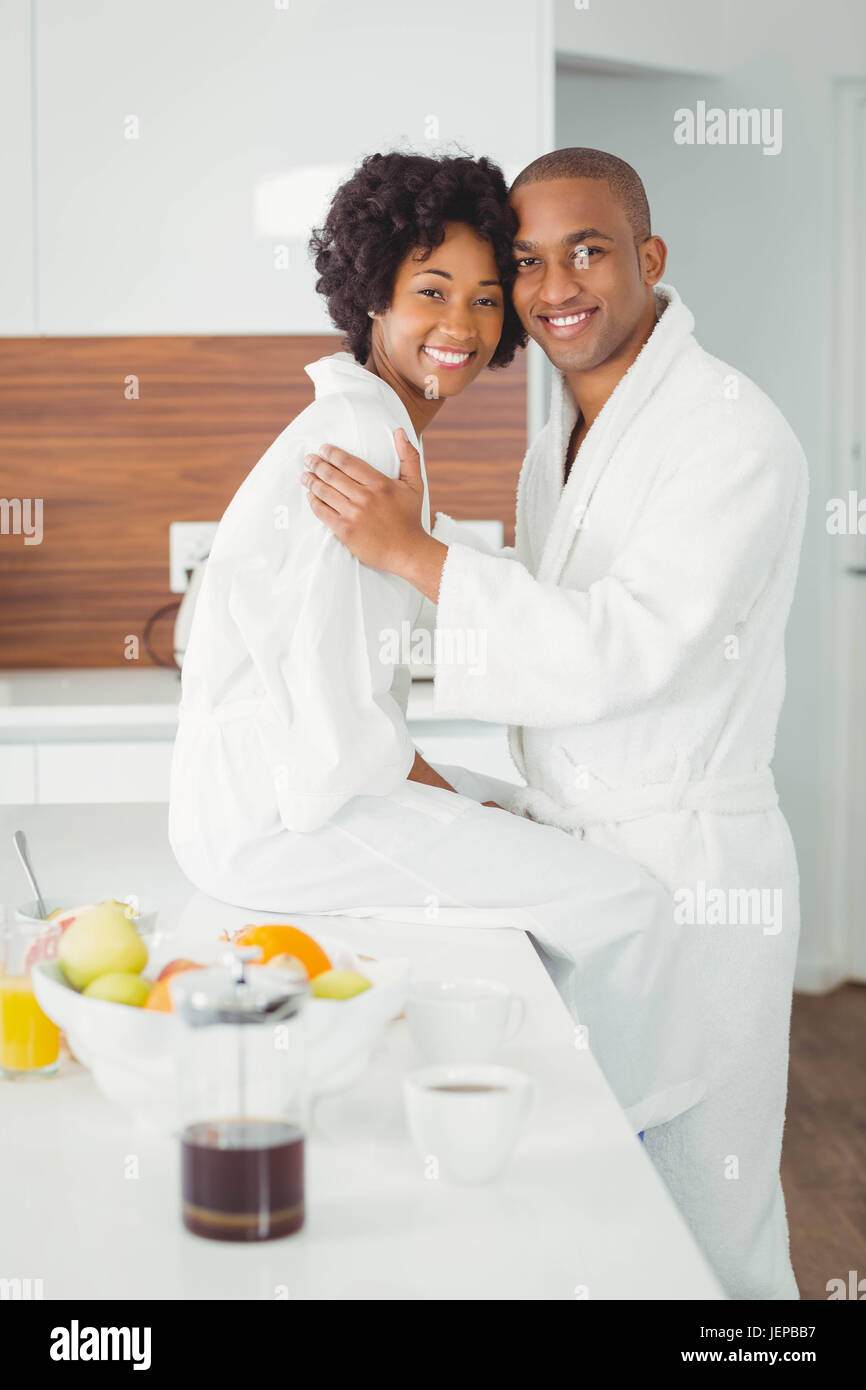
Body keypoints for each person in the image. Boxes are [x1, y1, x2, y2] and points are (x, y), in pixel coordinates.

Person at [301, 148, 808, 1302]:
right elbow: (550, 640)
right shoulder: (558, 442)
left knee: (708, 1225)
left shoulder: (730, 433)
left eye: (584, 251)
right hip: (593, 858)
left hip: (693, 876)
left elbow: (617, 654)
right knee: (598, 1211)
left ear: (648, 258)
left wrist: (413, 554)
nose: (550, 287)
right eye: (522, 263)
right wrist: (424, 765)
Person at [168, 150, 707, 1155]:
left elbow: (316, 673)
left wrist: (454, 795)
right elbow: (339, 732)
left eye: (484, 298)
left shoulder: (365, 428)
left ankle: (538, 1097)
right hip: (281, 822)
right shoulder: (364, 443)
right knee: (626, 904)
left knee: (518, 826)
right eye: (429, 293)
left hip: (274, 800)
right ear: (370, 294)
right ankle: (616, 1156)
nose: (458, 327)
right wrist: (439, 795)